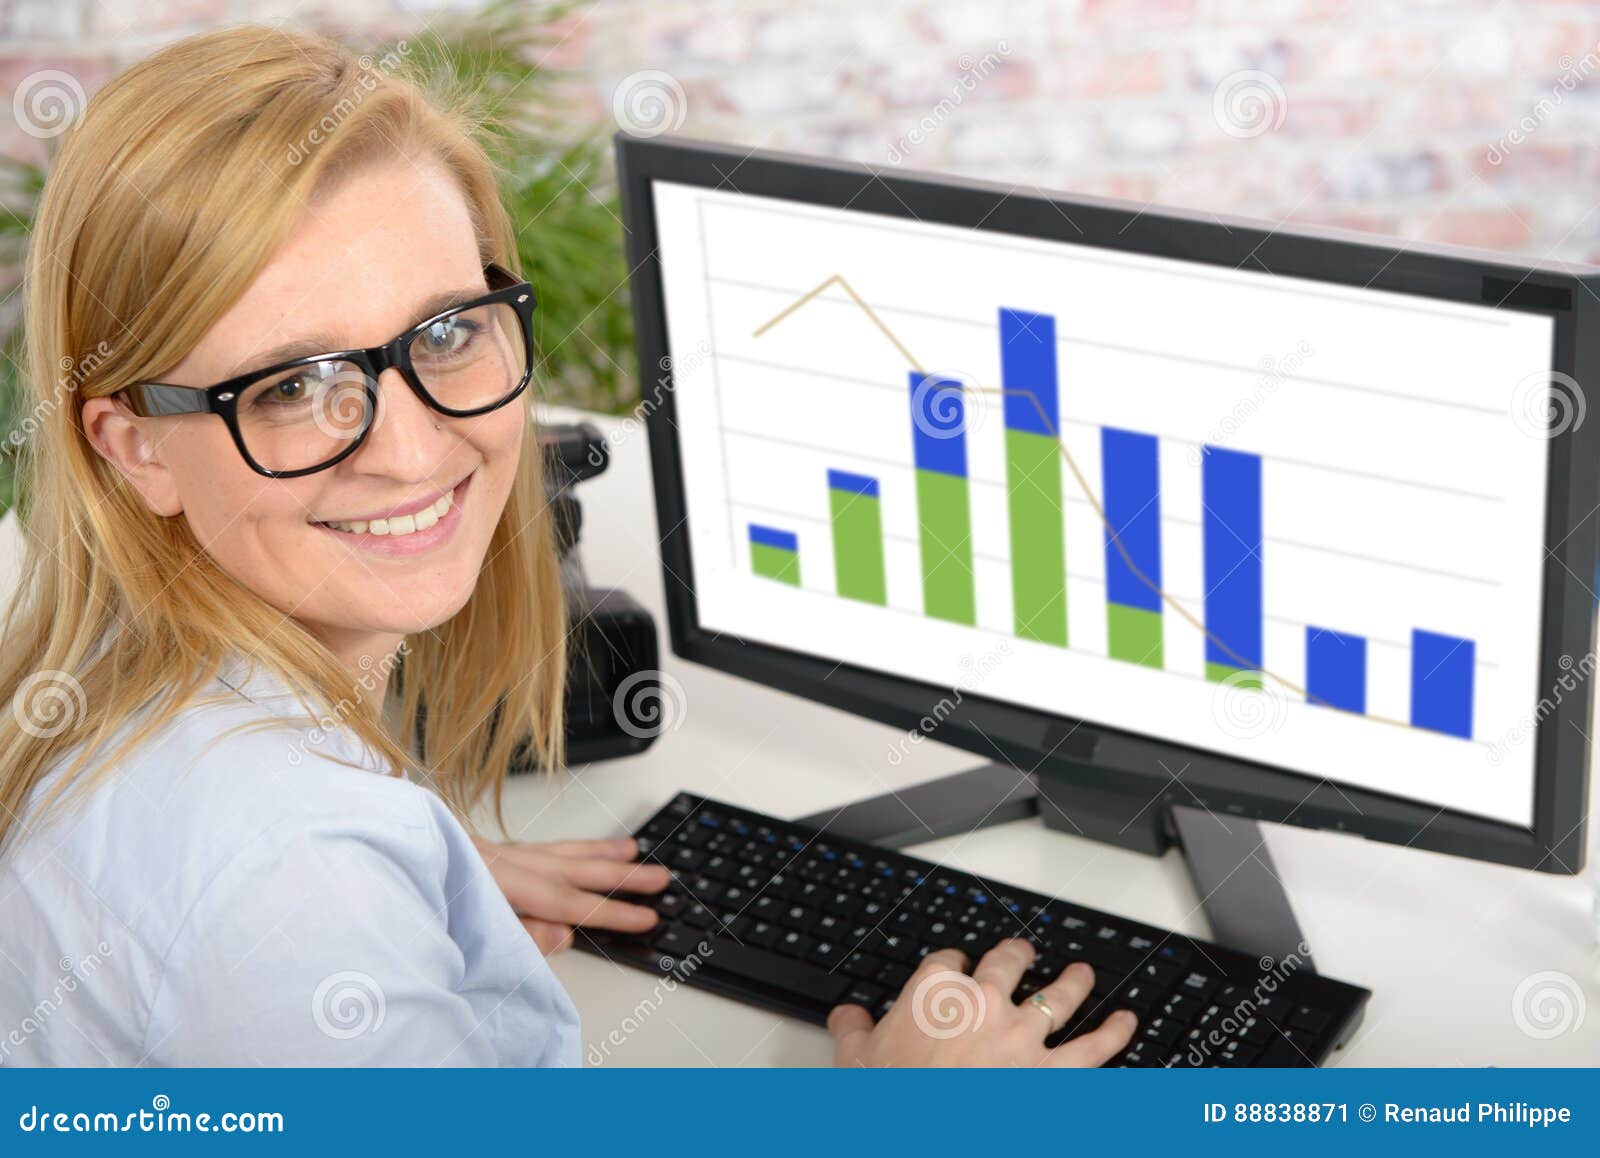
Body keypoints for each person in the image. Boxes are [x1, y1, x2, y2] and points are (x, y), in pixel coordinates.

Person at [0, 24, 1137, 1067]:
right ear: (138, 447)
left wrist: (420, 884)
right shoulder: (285, 883)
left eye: (446, 332)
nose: (410, 449)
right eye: (293, 384)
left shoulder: (100, 685)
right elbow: (245, 901)